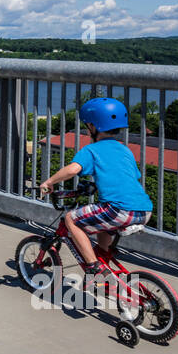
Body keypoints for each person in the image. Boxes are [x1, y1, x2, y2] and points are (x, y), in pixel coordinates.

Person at [38, 97, 153, 276]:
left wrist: (48, 182)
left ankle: (93, 267)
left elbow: (73, 170)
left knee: (71, 219)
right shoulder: (125, 150)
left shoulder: (92, 150)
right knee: (103, 223)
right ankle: (104, 258)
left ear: (93, 126)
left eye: (87, 124)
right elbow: (127, 178)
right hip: (144, 211)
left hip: (119, 210)